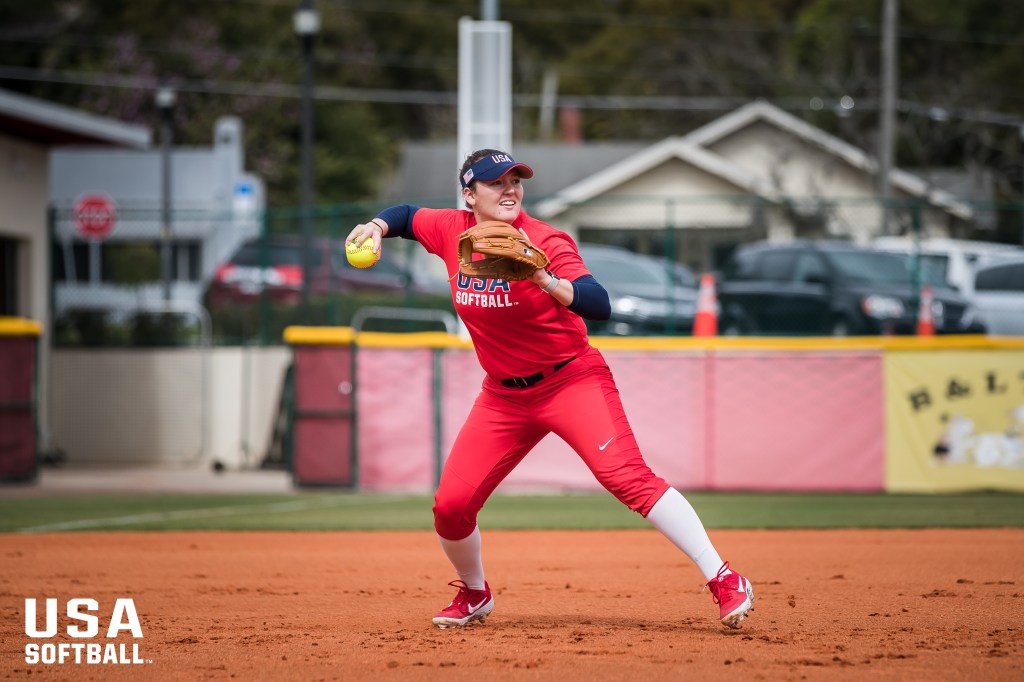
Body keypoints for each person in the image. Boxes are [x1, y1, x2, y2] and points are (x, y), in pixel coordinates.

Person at [345, 149, 754, 630]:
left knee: (628, 478)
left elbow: (598, 303)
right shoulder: (451, 228)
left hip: (569, 380)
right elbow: (408, 217)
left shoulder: (545, 240)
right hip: (503, 397)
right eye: (498, 183)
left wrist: (543, 277)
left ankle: (725, 578)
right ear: (470, 195)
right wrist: (374, 226)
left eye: (517, 181)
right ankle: (475, 593)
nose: (511, 190)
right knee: (451, 506)